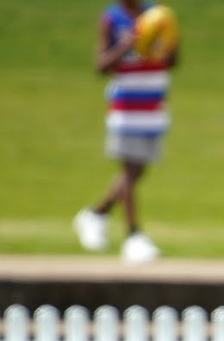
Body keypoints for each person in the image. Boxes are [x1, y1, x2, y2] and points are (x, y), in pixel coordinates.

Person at [73, 0, 178, 264]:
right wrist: (129, 44)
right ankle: (134, 236)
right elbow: (101, 65)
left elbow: (173, 61)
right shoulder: (112, 18)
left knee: (138, 170)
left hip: (153, 103)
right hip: (126, 106)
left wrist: (169, 43)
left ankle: (97, 214)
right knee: (130, 171)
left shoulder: (159, 15)